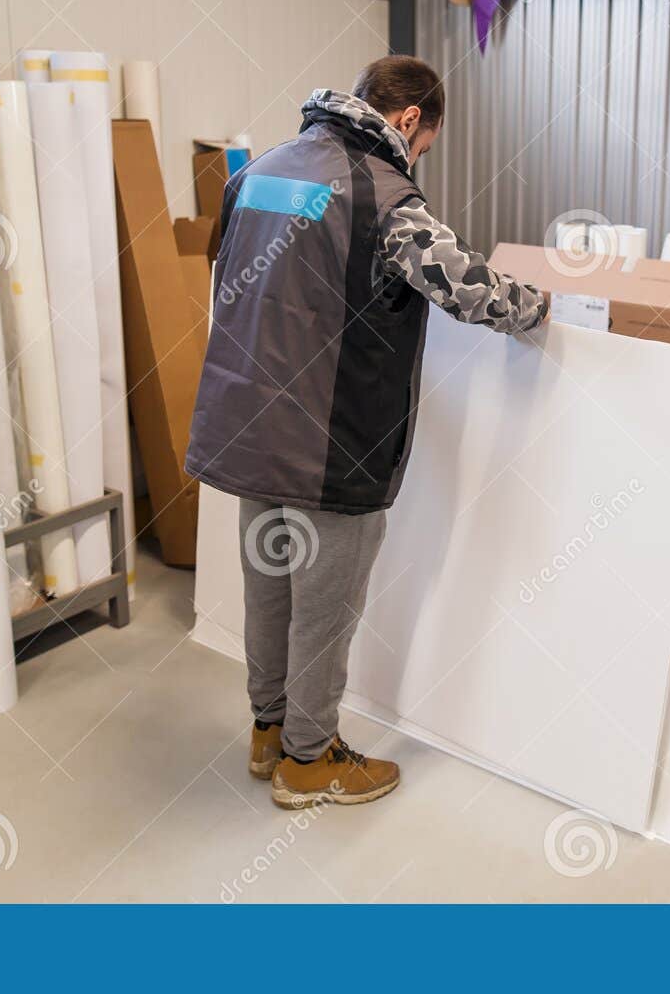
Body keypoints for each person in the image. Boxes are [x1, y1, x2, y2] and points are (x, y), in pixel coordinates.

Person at [185, 55, 549, 810]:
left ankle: (268, 732)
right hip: (330, 443)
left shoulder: (258, 173)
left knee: (268, 594)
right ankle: (308, 760)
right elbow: (468, 290)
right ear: (410, 120)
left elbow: (235, 279)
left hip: (250, 429)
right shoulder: (381, 193)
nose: (420, 158)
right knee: (323, 611)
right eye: (426, 144)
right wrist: (539, 307)